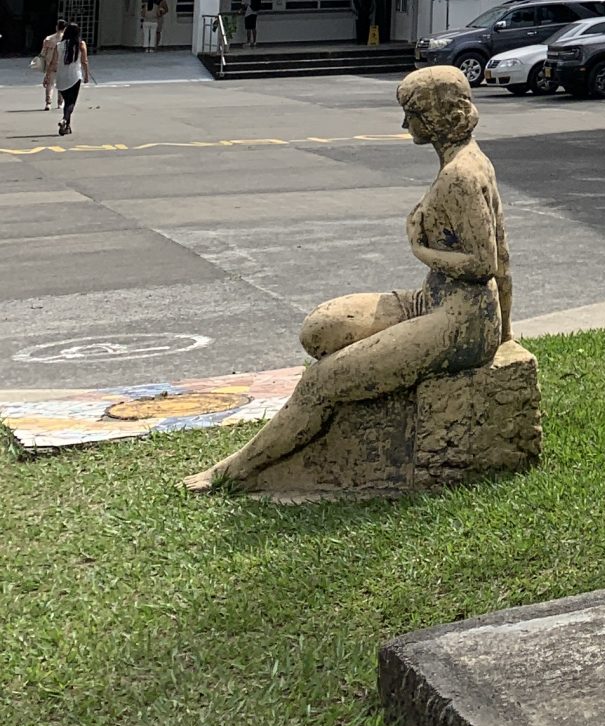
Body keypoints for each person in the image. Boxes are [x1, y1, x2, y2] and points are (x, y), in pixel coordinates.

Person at [186, 67, 512, 494]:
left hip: (461, 321)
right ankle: (365, 416)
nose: (404, 124)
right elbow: (505, 257)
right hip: (436, 301)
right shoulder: (466, 160)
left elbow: (485, 263)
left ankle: (239, 469)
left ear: (434, 116)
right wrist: (505, 326)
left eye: (411, 114)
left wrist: (420, 250)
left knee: (321, 382)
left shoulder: (461, 176)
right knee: (321, 329)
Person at [54, 21, 90, 135]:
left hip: (61, 77)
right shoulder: (81, 44)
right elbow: (84, 61)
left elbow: (53, 62)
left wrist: (47, 76)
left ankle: (66, 126)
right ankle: (64, 119)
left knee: (66, 101)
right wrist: (86, 75)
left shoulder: (59, 45)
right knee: (71, 103)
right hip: (75, 76)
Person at [37, 21, 62, 113]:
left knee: (50, 84)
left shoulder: (49, 39)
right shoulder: (66, 39)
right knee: (61, 84)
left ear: (56, 27)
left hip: (51, 63)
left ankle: (48, 103)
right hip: (62, 64)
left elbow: (43, 53)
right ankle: (60, 103)